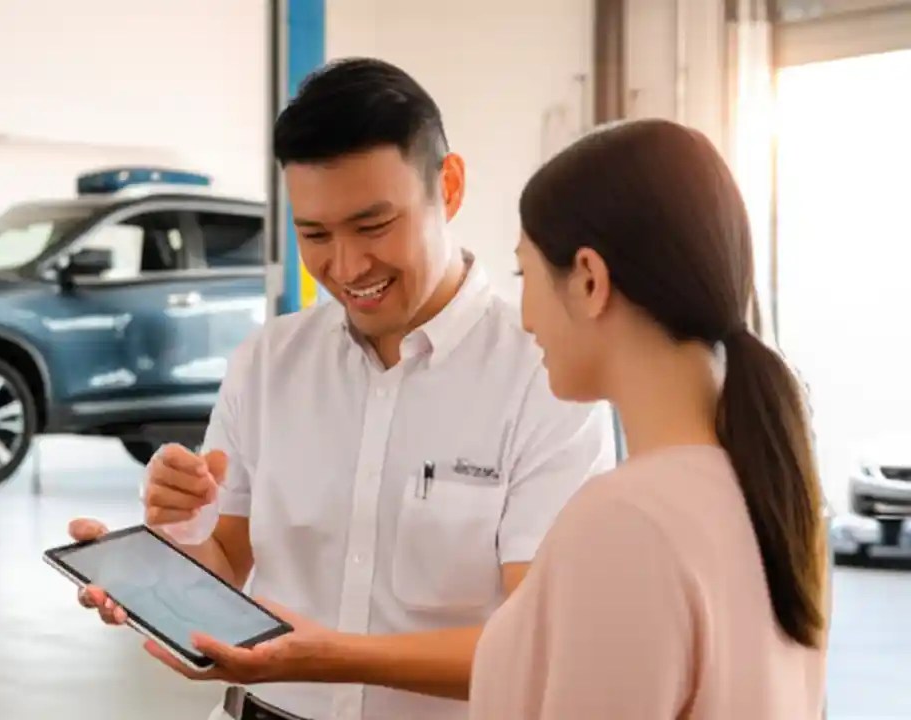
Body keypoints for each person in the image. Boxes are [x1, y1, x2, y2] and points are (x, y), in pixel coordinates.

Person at [68, 57, 615, 720]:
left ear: (449, 186)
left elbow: (541, 646)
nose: (348, 267)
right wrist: (171, 551)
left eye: (374, 226)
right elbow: (229, 562)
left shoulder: (541, 373)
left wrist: (331, 656)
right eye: (315, 234)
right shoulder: (269, 362)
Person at [466, 119, 828, 718]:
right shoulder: (776, 492)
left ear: (588, 279)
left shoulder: (625, 521)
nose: (525, 318)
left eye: (522, 274)